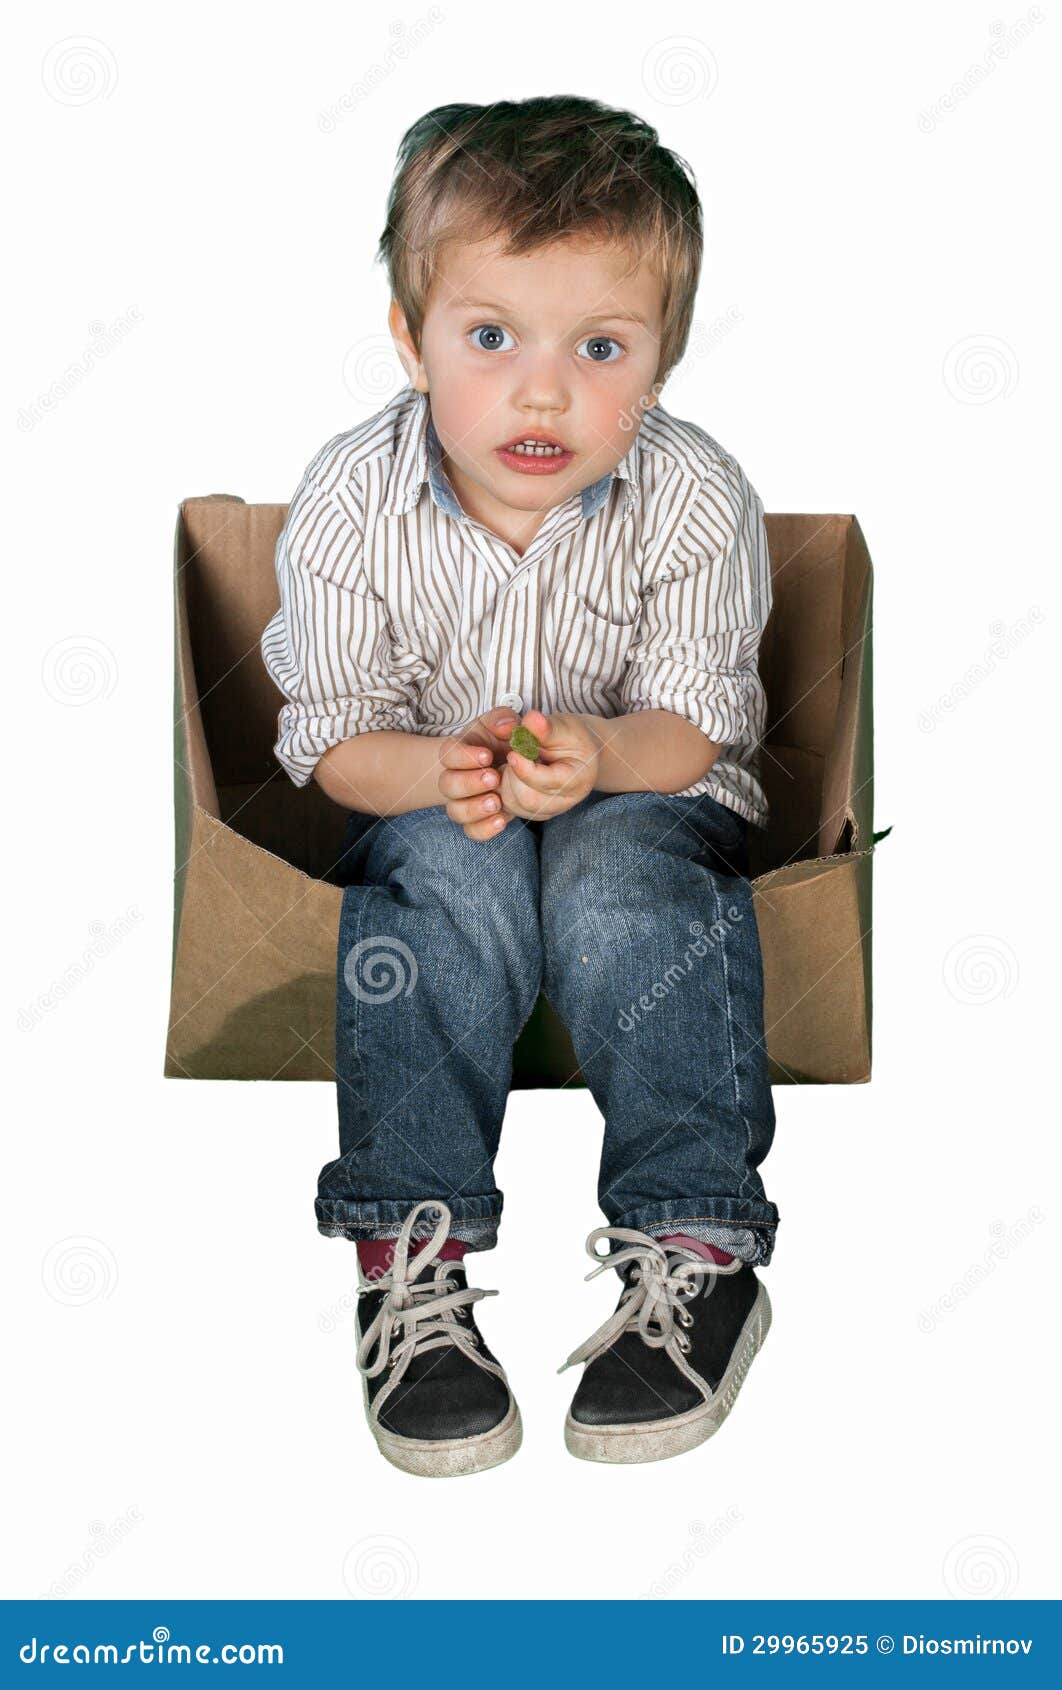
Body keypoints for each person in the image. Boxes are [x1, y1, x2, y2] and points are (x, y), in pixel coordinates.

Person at [260, 95, 778, 1477]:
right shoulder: (347, 499)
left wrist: (604, 757)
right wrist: (441, 769)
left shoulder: (693, 495)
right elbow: (330, 738)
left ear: (660, 360)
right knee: (443, 868)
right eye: (490, 338)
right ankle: (411, 1256)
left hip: (648, 790)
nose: (540, 393)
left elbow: (696, 718)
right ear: (409, 336)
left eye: (598, 347)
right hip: (432, 789)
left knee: (617, 876)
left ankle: (695, 1237)